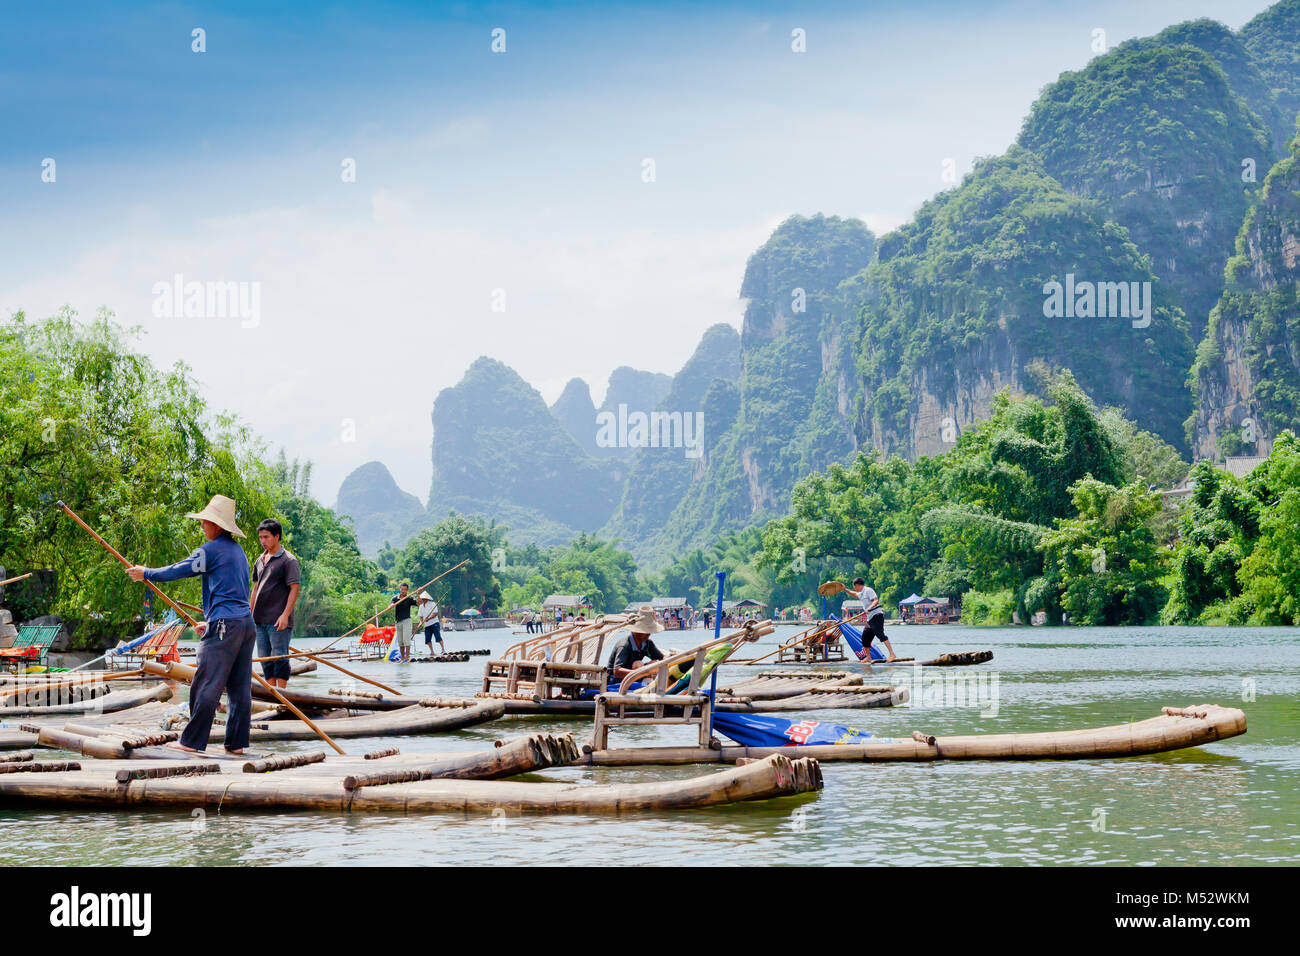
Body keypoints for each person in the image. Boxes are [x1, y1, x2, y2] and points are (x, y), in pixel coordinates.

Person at [126, 494, 255, 755]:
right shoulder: (237, 552)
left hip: (225, 625)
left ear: (217, 526)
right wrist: (210, 623)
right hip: (243, 624)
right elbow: (232, 594)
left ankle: (191, 742)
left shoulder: (211, 550)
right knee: (239, 688)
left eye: (205, 522)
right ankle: (236, 745)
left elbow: (180, 569)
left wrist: (146, 574)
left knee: (206, 682)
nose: (202, 526)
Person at [249, 518, 300, 689]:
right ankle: (272, 694)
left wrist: (285, 615)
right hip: (259, 619)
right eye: (261, 537)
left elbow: (294, 589)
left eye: (267, 537)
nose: (263, 541)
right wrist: (249, 614)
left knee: (280, 657)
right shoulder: (259, 560)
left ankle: (282, 695)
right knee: (265, 659)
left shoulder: (288, 560)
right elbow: (255, 589)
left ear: (277, 536)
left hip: (278, 620)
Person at [840, 577, 899, 662]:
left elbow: (876, 601)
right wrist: (845, 589)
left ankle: (892, 654)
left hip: (877, 616)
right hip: (870, 619)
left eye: (854, 586)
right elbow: (854, 594)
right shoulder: (860, 593)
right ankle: (868, 657)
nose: (854, 588)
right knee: (865, 638)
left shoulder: (868, 590)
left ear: (857, 585)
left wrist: (869, 608)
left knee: (880, 634)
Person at [607, 605, 665, 681]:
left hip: (633, 676)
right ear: (636, 632)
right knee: (638, 664)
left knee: (654, 663)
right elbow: (617, 671)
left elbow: (662, 658)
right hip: (615, 680)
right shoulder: (624, 645)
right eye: (645, 631)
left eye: (649, 631)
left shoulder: (647, 644)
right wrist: (639, 673)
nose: (648, 634)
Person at [385, 582, 416, 663]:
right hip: (398, 621)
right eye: (402, 589)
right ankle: (402, 658)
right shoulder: (395, 598)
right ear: (400, 589)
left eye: (405, 589)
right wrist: (391, 606)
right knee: (400, 641)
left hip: (407, 621)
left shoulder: (410, 598)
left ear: (407, 590)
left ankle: (407, 657)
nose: (403, 591)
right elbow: (390, 605)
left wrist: (418, 594)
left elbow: (418, 603)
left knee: (406, 640)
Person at [418, 591, 445, 657]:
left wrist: (429, 618)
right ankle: (432, 652)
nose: (423, 599)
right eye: (422, 598)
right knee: (427, 639)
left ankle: (443, 649)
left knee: (438, 636)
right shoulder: (421, 606)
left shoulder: (432, 604)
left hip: (434, 623)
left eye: (425, 598)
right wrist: (421, 623)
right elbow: (421, 617)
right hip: (427, 625)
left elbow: (435, 613)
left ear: (427, 598)